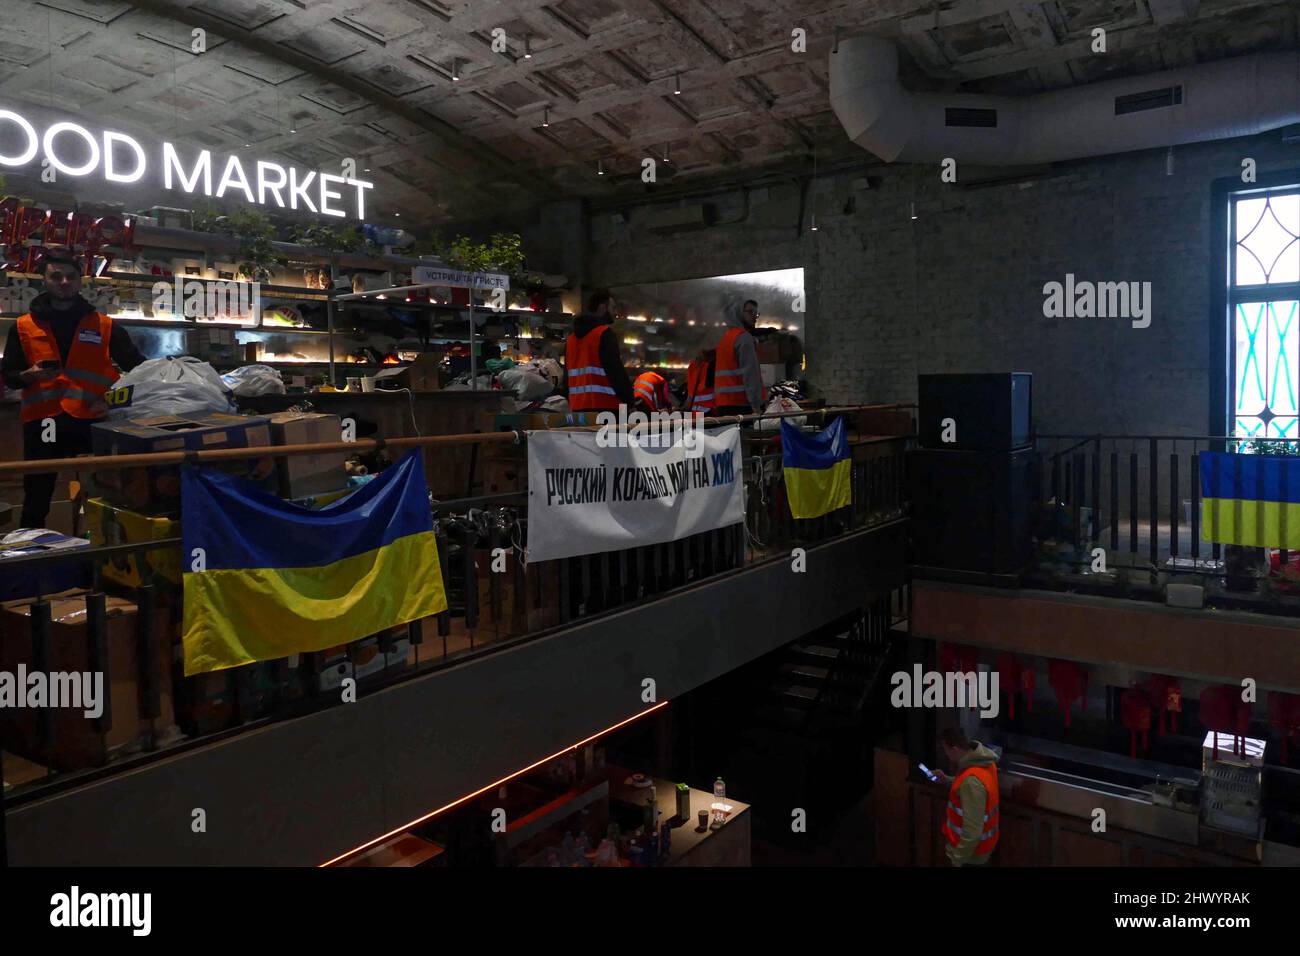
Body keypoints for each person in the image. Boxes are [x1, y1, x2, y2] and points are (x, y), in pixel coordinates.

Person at [1, 249, 144, 528]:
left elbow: (137, 366)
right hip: (45, 423)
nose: (64, 282)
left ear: (80, 281)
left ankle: (105, 549)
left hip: (91, 421)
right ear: (44, 280)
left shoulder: (103, 324)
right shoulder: (22, 326)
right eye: (56, 277)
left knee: (106, 492)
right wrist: (27, 375)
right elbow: (9, 376)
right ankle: (32, 555)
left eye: (70, 276)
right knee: (37, 495)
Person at [932, 727, 1000, 867]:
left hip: (970, 858)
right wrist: (946, 780)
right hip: (981, 852)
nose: (946, 754)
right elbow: (972, 789)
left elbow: (972, 833)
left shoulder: (971, 783)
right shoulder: (985, 762)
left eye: (946, 750)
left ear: (955, 749)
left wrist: (957, 859)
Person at [563, 289, 638, 413]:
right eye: (613, 308)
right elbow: (615, 371)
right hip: (606, 406)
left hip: (578, 407)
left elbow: (566, 378)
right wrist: (629, 401)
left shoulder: (571, 339)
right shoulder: (603, 334)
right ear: (603, 307)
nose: (615, 313)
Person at [712, 298, 765, 418]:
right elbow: (750, 375)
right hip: (741, 404)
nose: (754, 316)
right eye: (750, 312)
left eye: (756, 313)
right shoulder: (744, 338)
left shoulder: (726, 338)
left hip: (723, 404)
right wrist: (756, 405)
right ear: (738, 313)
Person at [685, 348, 715, 415]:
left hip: (694, 411)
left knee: (693, 425)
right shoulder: (710, 367)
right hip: (708, 411)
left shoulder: (692, 366)